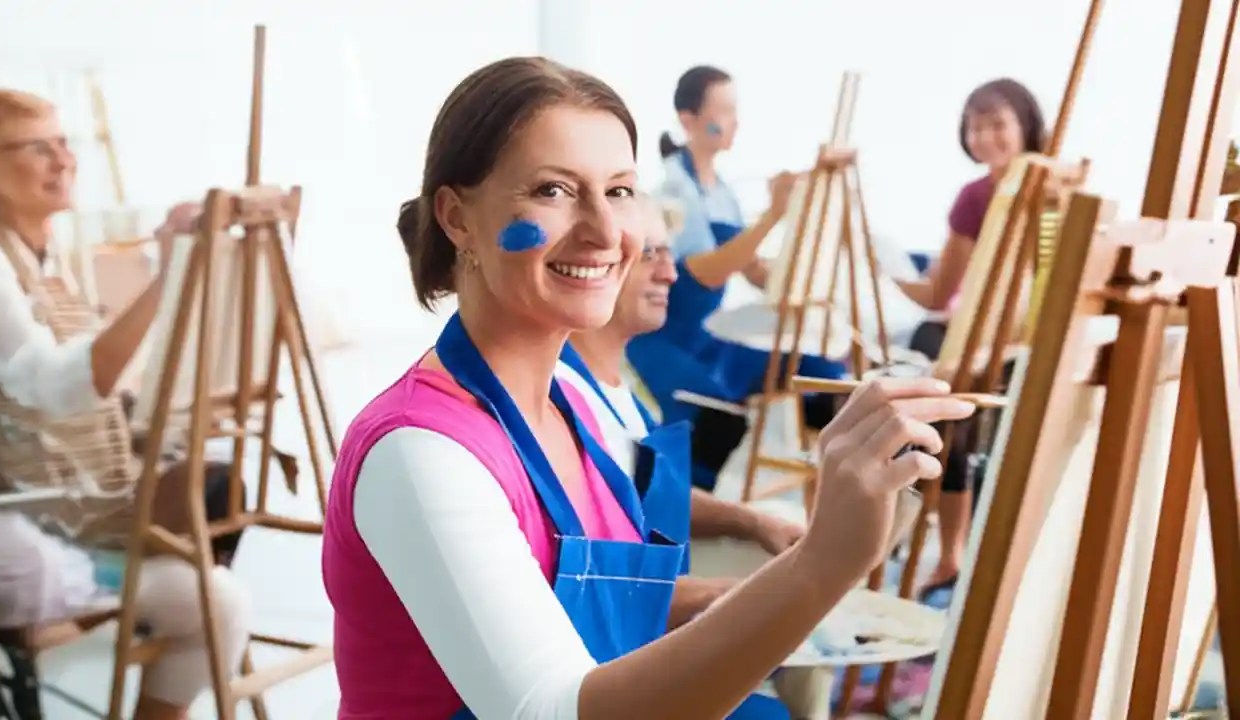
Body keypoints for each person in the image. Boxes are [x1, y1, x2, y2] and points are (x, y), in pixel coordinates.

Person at [321, 56, 975, 719]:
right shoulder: (421, 452)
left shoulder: (574, 408)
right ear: (458, 219)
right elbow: (552, 711)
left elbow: (605, 612)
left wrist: (784, 574)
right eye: (553, 190)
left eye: (620, 190)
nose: (606, 232)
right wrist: (825, 560)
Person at [0, 87, 250, 720]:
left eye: (64, 143)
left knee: (219, 531)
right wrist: (166, 274)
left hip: (79, 508)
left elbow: (109, 387)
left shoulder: (57, 261)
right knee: (217, 604)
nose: (62, 160)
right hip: (30, 522)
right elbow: (52, 382)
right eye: (37, 147)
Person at [556, 193, 805, 632]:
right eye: (650, 253)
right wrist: (731, 597)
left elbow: (652, 494)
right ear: (593, 265)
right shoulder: (561, 405)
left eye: (669, 254)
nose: (670, 273)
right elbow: (588, 589)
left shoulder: (627, 395)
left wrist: (755, 523)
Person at [626, 65, 844, 451]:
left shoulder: (724, 192)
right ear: (688, 119)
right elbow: (705, 273)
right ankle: (689, 507)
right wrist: (774, 214)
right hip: (665, 337)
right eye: (723, 110)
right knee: (716, 427)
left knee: (821, 372)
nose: (734, 122)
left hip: (707, 337)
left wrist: (809, 244)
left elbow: (755, 272)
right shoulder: (674, 189)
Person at [894, 78, 1046, 597]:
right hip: (968, 332)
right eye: (975, 126)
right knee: (943, 397)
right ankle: (950, 555)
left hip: (1026, 339)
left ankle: (967, 553)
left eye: (996, 123)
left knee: (956, 401)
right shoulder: (974, 197)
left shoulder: (1057, 191)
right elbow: (941, 291)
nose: (984, 136)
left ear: (1025, 125)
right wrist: (882, 270)